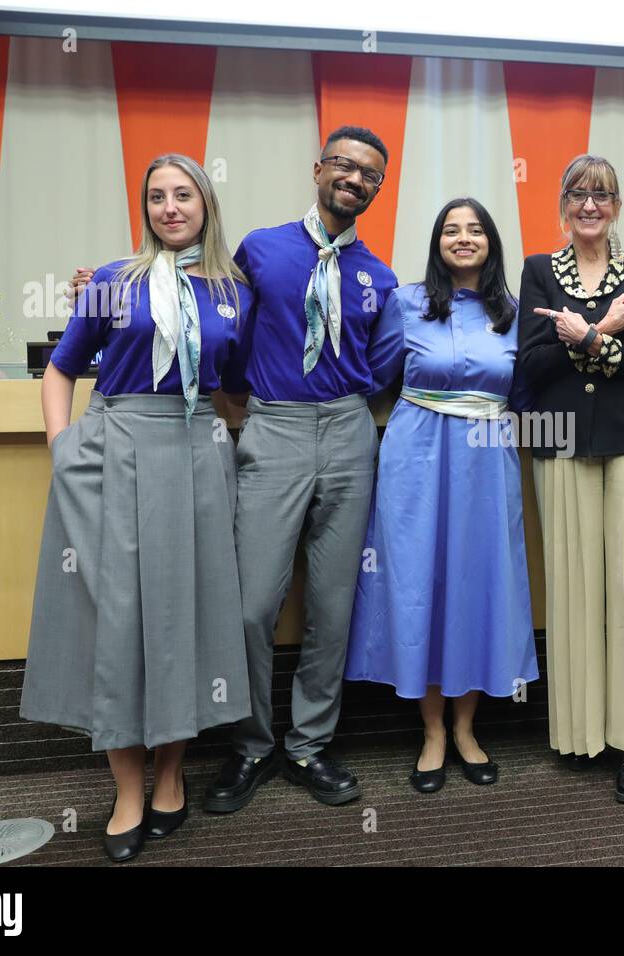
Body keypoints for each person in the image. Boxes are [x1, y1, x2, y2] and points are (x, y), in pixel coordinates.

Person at [65, 126, 403, 814]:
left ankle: (309, 742)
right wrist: (102, 290)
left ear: (377, 188)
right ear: (318, 169)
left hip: (347, 430)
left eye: (368, 173)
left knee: (333, 608)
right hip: (270, 428)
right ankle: (250, 743)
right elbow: (206, 317)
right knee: (250, 605)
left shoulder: (380, 274)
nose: (353, 178)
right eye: (342, 164)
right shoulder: (260, 249)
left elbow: (390, 362)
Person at [21, 153, 254, 861]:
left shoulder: (233, 292)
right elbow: (62, 368)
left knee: (182, 617)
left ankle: (172, 777)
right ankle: (127, 788)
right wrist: (63, 448)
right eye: (157, 196)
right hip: (113, 452)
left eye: (184, 194)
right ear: (145, 207)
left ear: (206, 204)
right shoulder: (113, 282)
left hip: (193, 456)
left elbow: (234, 391)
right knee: (116, 620)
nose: (170, 207)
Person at [345, 198, 539, 793]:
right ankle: (431, 730)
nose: (463, 238)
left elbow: (531, 393)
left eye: (475, 229)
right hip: (415, 460)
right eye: (451, 230)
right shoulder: (405, 304)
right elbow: (369, 375)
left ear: (491, 242)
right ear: (436, 243)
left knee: (479, 583)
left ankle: (466, 727)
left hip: (487, 462)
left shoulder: (516, 312)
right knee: (417, 582)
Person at [517, 154, 624, 804]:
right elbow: (529, 367)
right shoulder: (535, 272)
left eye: (602, 194)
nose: (590, 204)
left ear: (617, 205)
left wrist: (598, 339)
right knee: (575, 583)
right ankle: (583, 732)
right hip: (559, 446)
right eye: (579, 193)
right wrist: (596, 332)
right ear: (563, 202)